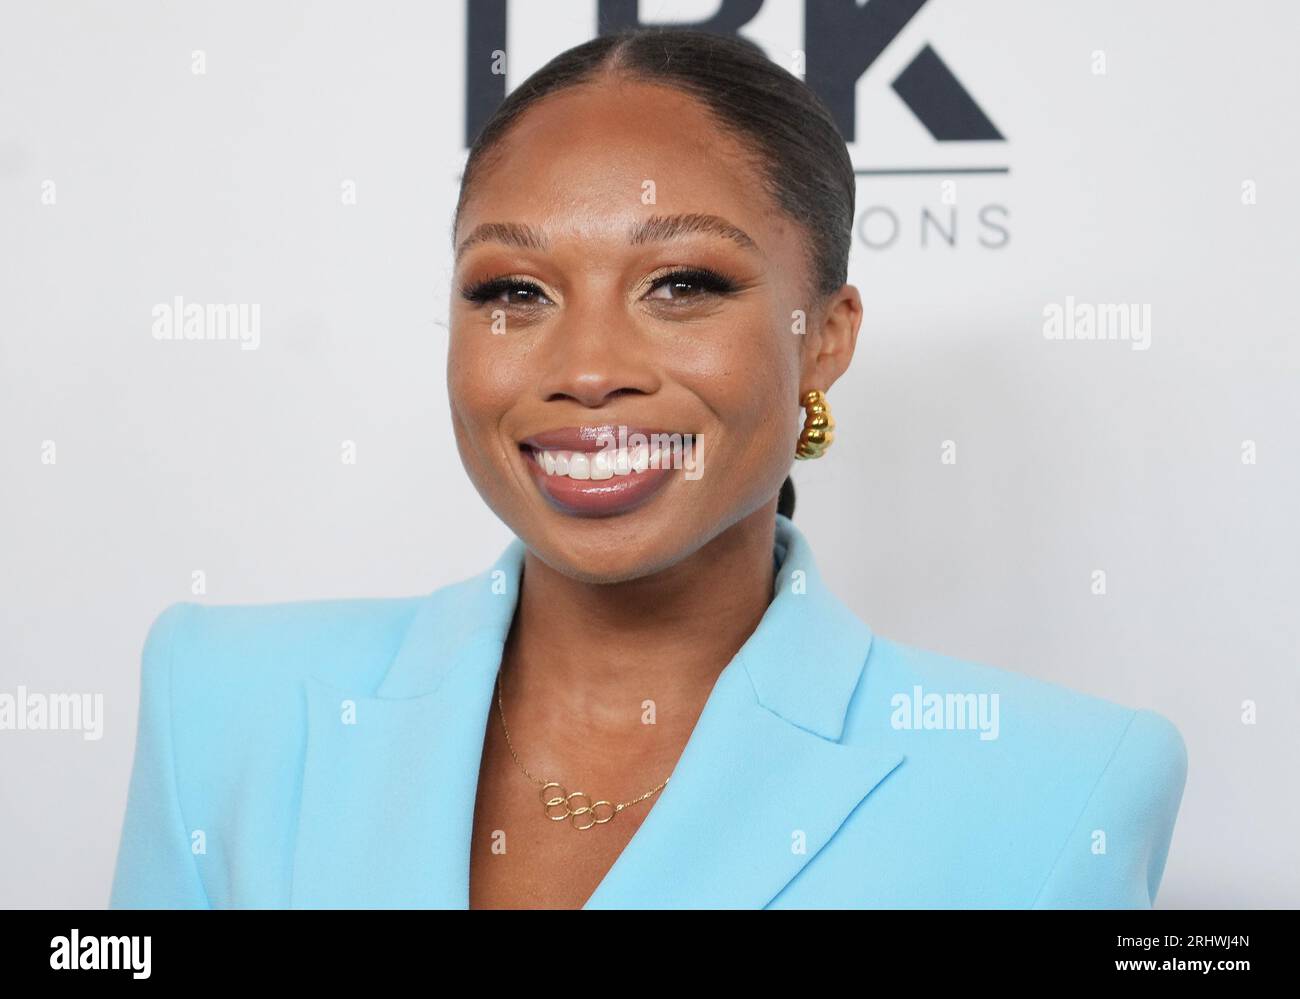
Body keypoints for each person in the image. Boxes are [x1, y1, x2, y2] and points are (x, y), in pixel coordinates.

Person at [109, 26, 1187, 910]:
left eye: (680, 284)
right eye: (512, 293)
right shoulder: (226, 706)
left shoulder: (1053, 788)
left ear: (825, 336)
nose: (586, 370)